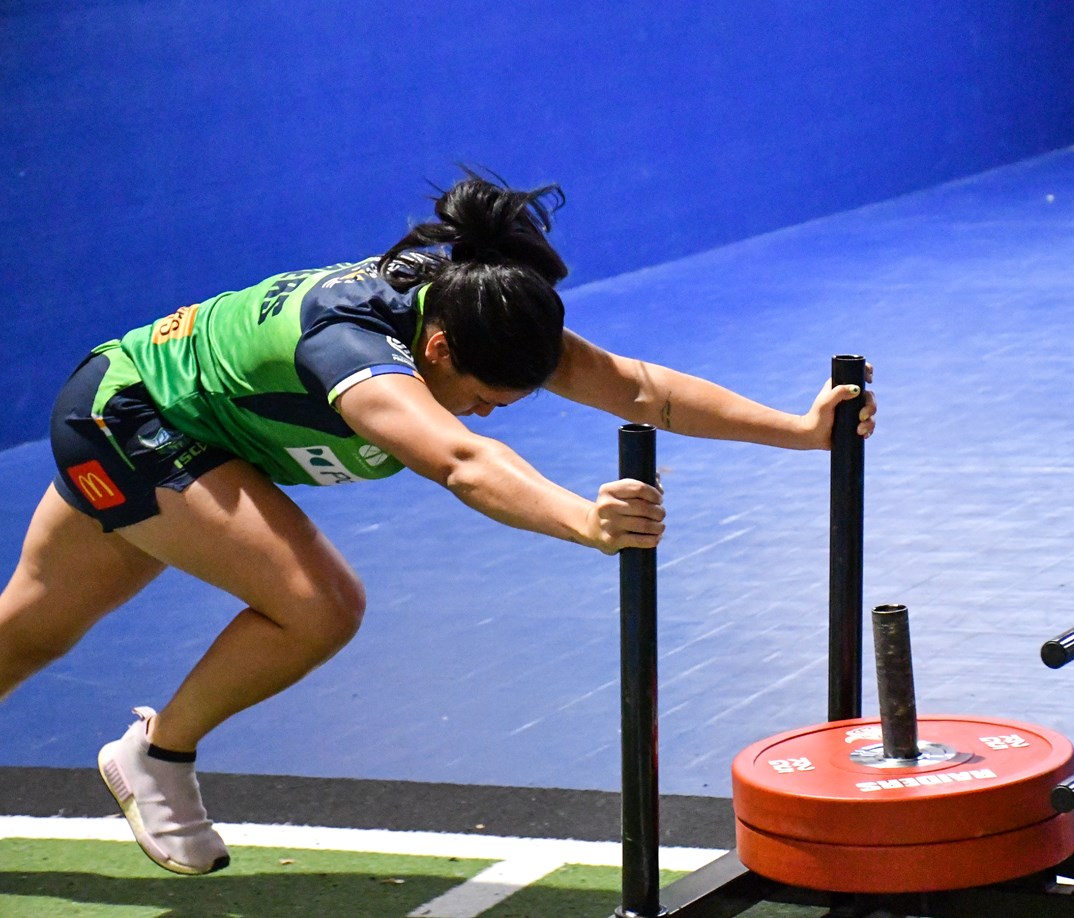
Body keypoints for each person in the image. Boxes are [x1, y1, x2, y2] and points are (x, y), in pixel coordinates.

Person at [0, 171, 876, 876]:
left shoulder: (487, 304)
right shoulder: (354, 350)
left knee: (34, 630)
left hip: (162, 408)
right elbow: (462, 462)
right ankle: (160, 755)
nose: (488, 415)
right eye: (483, 399)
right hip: (133, 419)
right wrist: (584, 520)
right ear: (438, 352)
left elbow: (641, 388)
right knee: (319, 604)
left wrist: (799, 431)